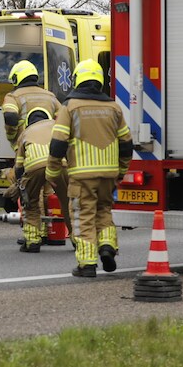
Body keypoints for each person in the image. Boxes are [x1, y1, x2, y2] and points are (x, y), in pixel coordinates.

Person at [47, 60, 132, 277]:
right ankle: (107, 247)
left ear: (77, 80)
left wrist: (52, 172)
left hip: (82, 175)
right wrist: (121, 171)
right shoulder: (114, 108)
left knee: (83, 216)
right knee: (104, 211)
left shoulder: (70, 107)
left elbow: (58, 143)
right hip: (109, 174)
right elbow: (126, 143)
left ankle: (87, 264)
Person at [13, 107, 68, 253]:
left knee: (31, 204)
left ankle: (32, 241)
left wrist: (22, 186)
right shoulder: (56, 126)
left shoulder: (25, 133)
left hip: (34, 166)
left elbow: (18, 166)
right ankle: (78, 240)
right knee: (67, 203)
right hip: (59, 163)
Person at [1, 59, 61, 153]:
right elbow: (64, 120)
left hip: (26, 149)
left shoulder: (13, 96)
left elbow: (10, 116)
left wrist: (11, 137)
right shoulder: (51, 96)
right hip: (50, 149)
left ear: (16, 78)